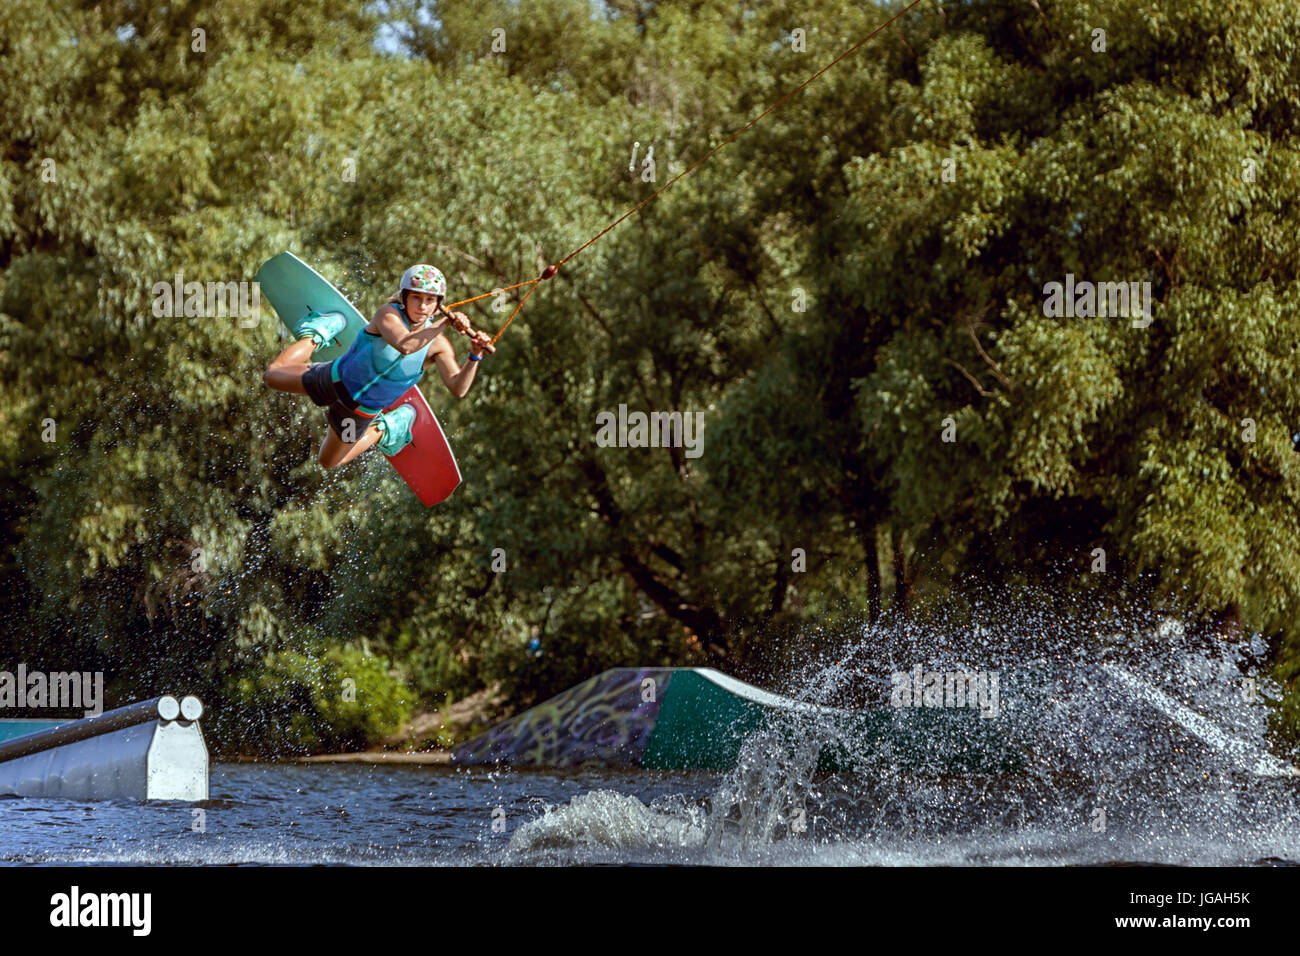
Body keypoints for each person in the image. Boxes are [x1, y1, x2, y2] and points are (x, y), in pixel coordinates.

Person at [262, 264, 495, 468]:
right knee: (271, 375)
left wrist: (474, 356)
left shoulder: (438, 346)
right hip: (333, 380)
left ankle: (387, 427)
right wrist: (442, 324)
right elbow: (404, 345)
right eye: (416, 298)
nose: (422, 306)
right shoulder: (388, 314)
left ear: (437, 304)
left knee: (328, 462)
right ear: (404, 297)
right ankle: (322, 330)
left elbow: (458, 388)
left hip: (358, 413)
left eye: (429, 300)